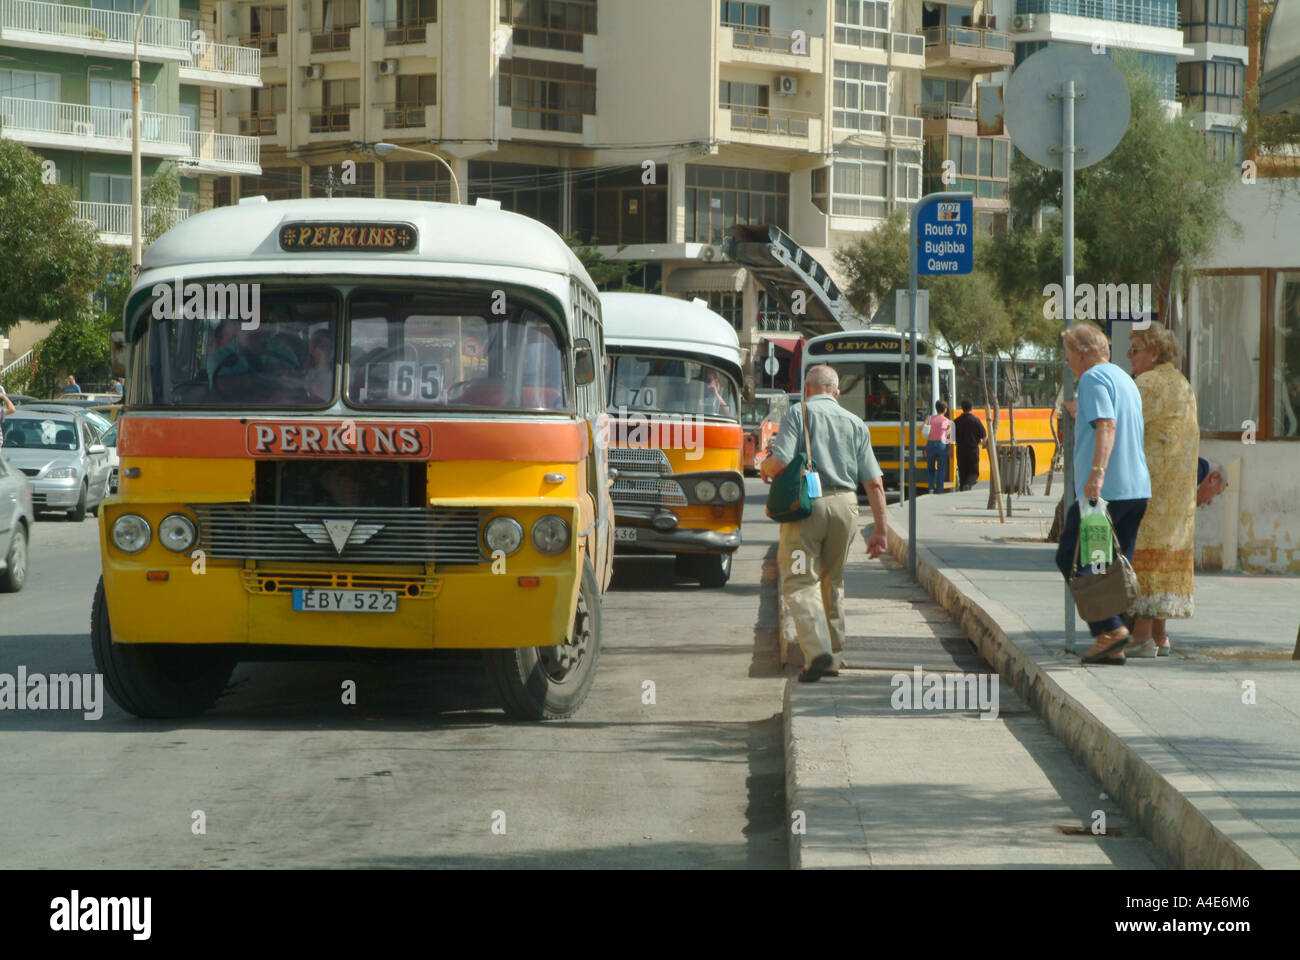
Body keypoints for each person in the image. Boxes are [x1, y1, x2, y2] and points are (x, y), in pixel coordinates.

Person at [761, 364, 889, 682]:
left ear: (807, 389)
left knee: (800, 578)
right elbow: (874, 484)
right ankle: (834, 657)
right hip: (846, 508)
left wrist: (764, 466)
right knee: (834, 580)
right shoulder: (856, 423)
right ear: (836, 392)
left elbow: (782, 461)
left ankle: (817, 651)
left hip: (807, 507)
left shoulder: (797, 413)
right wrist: (880, 531)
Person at [1057, 324, 1151, 665]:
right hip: (1135, 490)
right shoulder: (1124, 380)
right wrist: (1078, 410)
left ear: (1082, 354)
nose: (1068, 364)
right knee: (1114, 568)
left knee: (1074, 558)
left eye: (1069, 356)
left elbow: (1107, 424)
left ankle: (1110, 631)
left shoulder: (1093, 379)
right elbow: (1108, 418)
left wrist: (1096, 477)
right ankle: (1115, 644)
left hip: (1105, 494)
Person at [1125, 325, 1198, 658]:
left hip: (1149, 488)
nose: (1129, 356)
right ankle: (1160, 635)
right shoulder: (1183, 384)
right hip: (1179, 495)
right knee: (1166, 556)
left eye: (1135, 349)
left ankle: (1141, 637)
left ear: (1154, 353)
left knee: (1143, 559)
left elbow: (1120, 422)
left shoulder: (1148, 384)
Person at [953, 399, 986, 491]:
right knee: (974, 472)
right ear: (972, 408)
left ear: (962, 408)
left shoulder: (956, 421)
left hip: (960, 449)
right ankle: (968, 484)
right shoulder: (976, 421)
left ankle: (963, 488)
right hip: (973, 449)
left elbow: (951, 438)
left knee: (962, 471)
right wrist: (984, 444)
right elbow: (984, 436)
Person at [924, 400, 954, 494]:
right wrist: (950, 450)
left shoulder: (929, 419)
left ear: (936, 408)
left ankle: (931, 488)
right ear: (945, 410)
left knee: (930, 468)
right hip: (942, 445)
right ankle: (940, 489)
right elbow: (950, 438)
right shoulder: (947, 421)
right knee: (941, 468)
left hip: (930, 444)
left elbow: (922, 429)